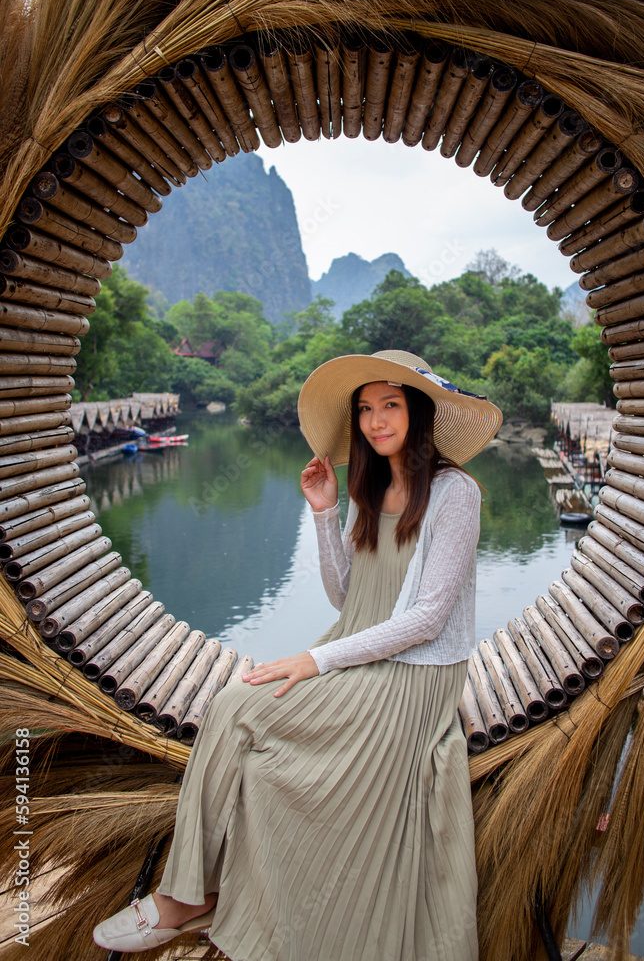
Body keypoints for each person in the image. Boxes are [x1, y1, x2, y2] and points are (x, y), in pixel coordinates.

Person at [93, 349, 502, 960]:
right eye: (365, 409)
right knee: (232, 705)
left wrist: (316, 662)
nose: (375, 421)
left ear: (420, 412)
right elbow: (347, 594)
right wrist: (325, 510)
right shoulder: (373, 487)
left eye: (390, 405)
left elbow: (427, 619)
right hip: (351, 651)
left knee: (251, 736)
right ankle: (189, 896)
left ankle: (195, 902)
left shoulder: (454, 493)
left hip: (412, 676)